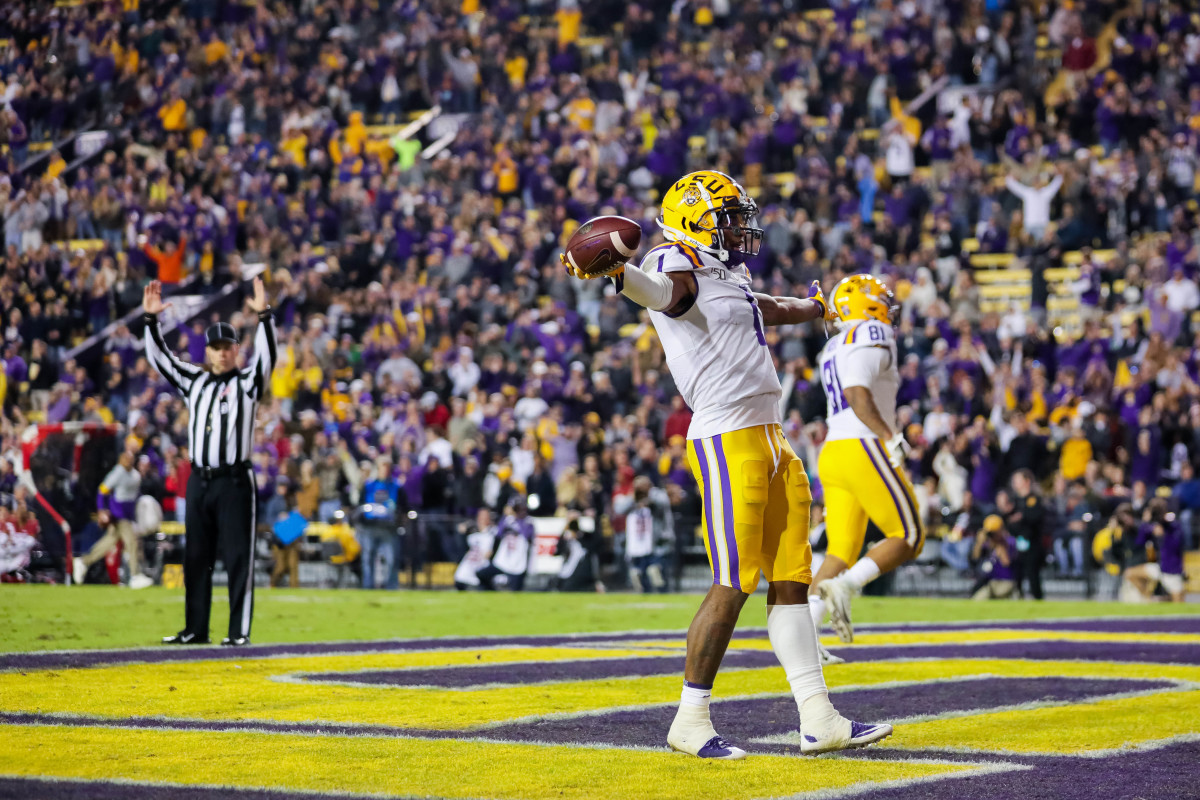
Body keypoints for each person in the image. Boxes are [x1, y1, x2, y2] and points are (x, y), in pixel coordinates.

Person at [563, 170, 890, 759]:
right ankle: (689, 720)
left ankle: (819, 718)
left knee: (791, 581)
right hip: (726, 438)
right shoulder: (668, 262)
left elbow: (759, 306)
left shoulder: (727, 271)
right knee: (733, 582)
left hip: (772, 436)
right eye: (730, 216)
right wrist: (618, 271)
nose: (742, 227)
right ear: (695, 219)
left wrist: (813, 307)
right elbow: (668, 296)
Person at [143, 277, 276, 646]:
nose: (221, 353)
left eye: (227, 347)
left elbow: (268, 359)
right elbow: (161, 360)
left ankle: (238, 633)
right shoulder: (194, 381)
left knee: (238, 558)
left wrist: (265, 316)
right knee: (196, 558)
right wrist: (150, 322)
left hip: (234, 481)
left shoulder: (249, 383)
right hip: (199, 480)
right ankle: (195, 629)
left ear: (236, 350)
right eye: (215, 347)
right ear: (207, 351)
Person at [808, 275, 924, 649]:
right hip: (862, 445)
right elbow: (856, 390)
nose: (888, 308)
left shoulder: (834, 344)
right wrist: (890, 437)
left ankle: (804, 637)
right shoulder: (873, 331)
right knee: (909, 535)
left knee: (841, 550)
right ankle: (844, 587)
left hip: (834, 451)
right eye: (882, 299)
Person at [73, 451, 154, 588]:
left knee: (108, 543)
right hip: (119, 514)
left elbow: (134, 496)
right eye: (126, 459)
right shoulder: (117, 473)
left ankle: (83, 561)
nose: (128, 461)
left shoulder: (134, 475)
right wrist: (102, 510)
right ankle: (135, 576)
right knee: (132, 543)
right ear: (121, 460)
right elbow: (103, 490)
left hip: (127, 514)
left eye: (130, 459)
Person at [972, 514, 1017, 599]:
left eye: (993, 532)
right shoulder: (987, 543)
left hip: (1005, 581)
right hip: (988, 582)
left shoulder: (1009, 541)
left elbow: (1006, 562)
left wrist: (999, 545)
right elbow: (975, 557)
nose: (992, 536)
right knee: (978, 599)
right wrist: (979, 543)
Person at [453, 508, 496, 591]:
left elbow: (490, 551)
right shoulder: (472, 531)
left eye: (485, 516)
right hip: (470, 562)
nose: (482, 519)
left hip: (482, 563)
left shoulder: (493, 531)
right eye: (481, 516)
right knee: (460, 580)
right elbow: (460, 531)